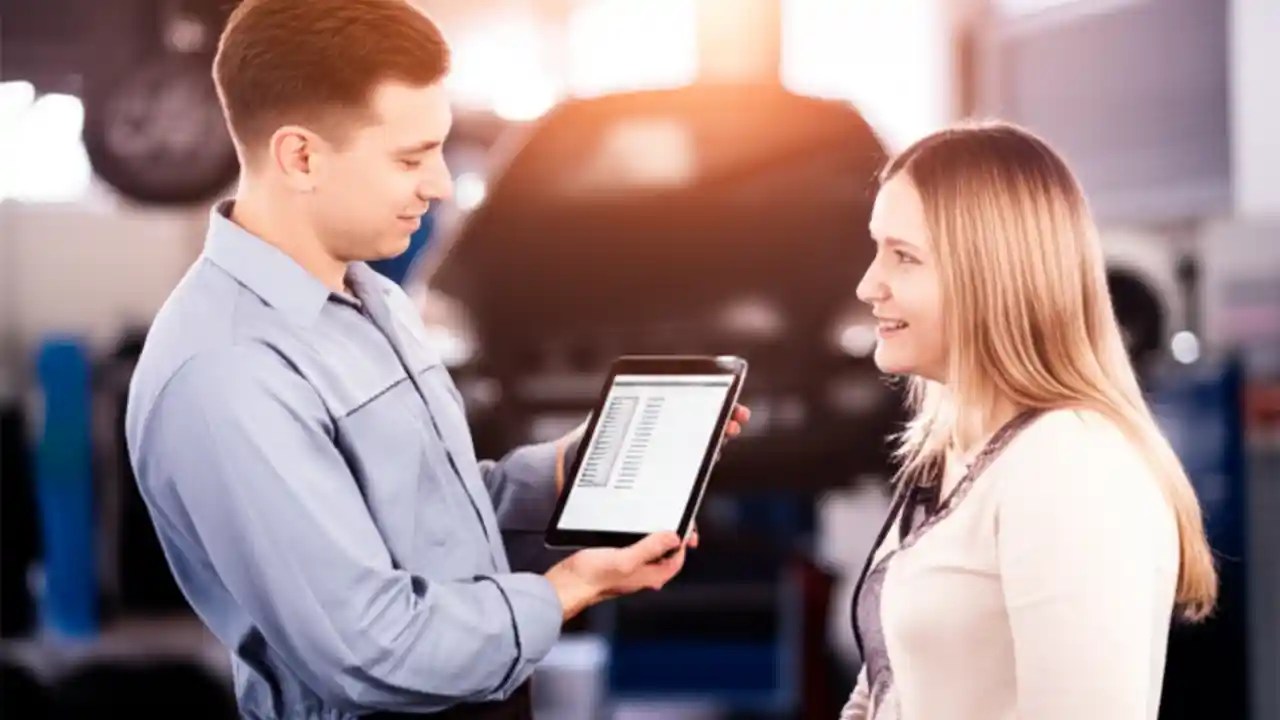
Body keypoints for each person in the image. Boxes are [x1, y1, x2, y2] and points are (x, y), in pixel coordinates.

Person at [123, 1, 748, 718]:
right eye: (410, 158)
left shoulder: (374, 300)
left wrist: (566, 472)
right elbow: (373, 649)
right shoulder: (228, 371)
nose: (441, 184)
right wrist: (576, 584)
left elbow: (426, 526)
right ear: (300, 157)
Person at [839, 121, 1218, 720]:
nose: (868, 285)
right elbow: (888, 692)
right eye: (876, 249)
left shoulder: (1070, 465)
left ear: (991, 276)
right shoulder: (957, 456)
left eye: (904, 257)